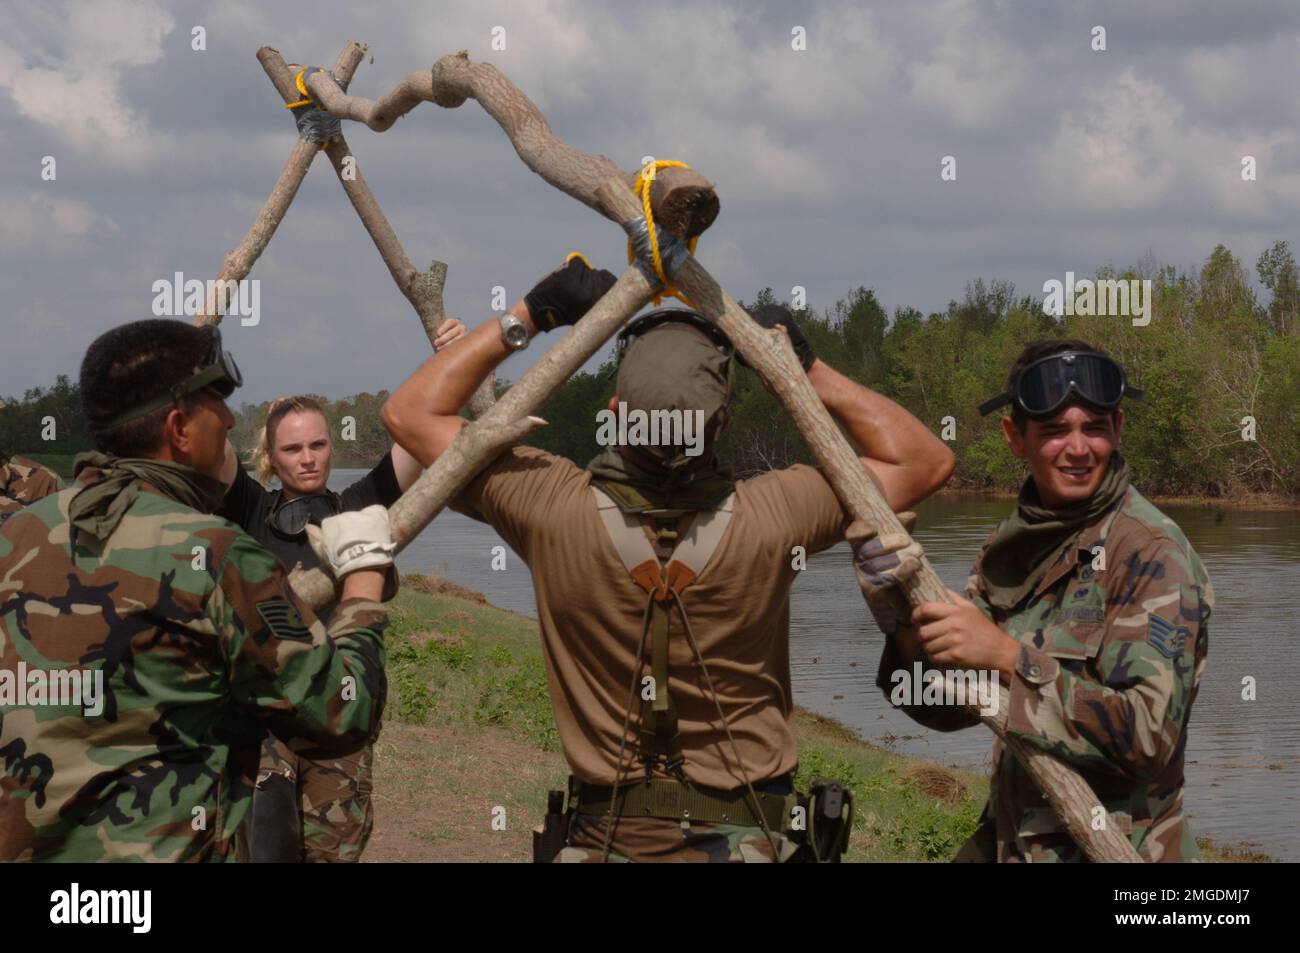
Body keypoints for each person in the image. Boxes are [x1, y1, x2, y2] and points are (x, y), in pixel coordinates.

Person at [382, 257, 956, 862]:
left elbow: (409, 414)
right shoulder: (781, 513)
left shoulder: (545, 504)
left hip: (605, 840)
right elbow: (924, 461)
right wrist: (803, 369)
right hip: (753, 837)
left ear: (611, 415)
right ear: (723, 424)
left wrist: (531, 315)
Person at [0, 319, 394, 862]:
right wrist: (364, 579)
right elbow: (342, 713)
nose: (231, 419)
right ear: (181, 428)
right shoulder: (215, 553)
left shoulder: (15, 534)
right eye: (218, 404)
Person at [854, 339, 1212, 862]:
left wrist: (1007, 656)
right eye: (1054, 432)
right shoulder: (1013, 548)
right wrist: (898, 619)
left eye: (1094, 428)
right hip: (1014, 842)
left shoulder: (1149, 552)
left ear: (1117, 430)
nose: (1078, 449)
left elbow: (1148, 739)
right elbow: (947, 711)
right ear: (1014, 437)